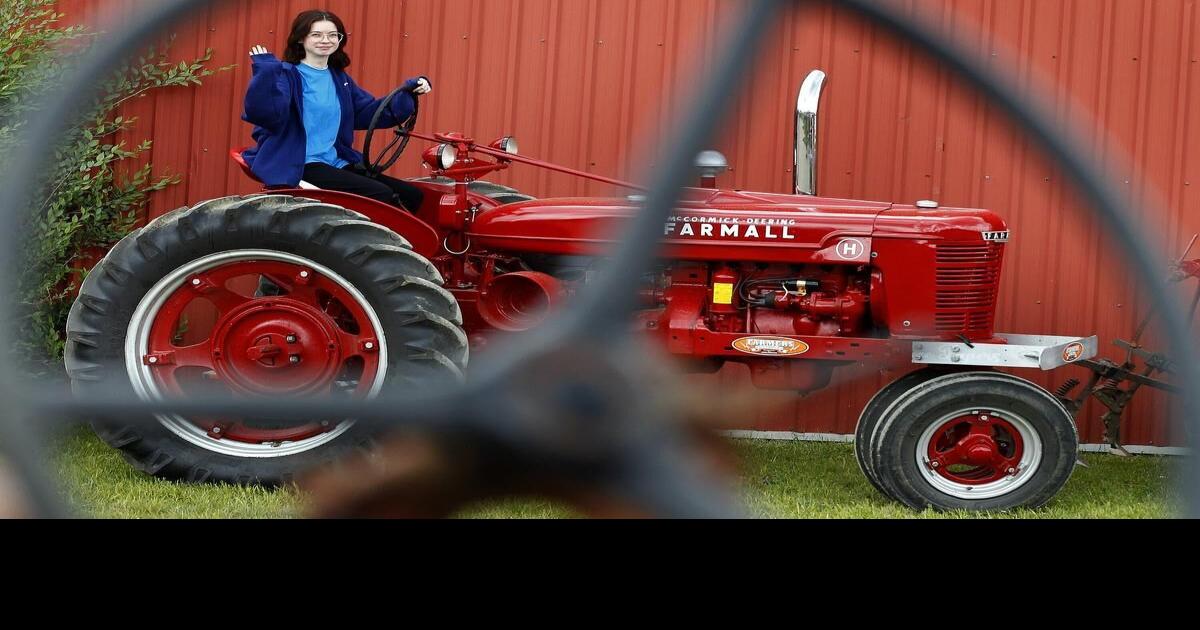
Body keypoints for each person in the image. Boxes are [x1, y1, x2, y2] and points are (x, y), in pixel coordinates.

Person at [241, 9, 431, 212]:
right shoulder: (288, 75)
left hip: (335, 160)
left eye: (333, 35)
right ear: (300, 39)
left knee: (412, 195)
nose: (326, 40)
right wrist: (266, 74)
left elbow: (369, 113)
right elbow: (265, 113)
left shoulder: (339, 79)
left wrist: (408, 93)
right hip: (299, 162)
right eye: (316, 34)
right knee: (380, 194)